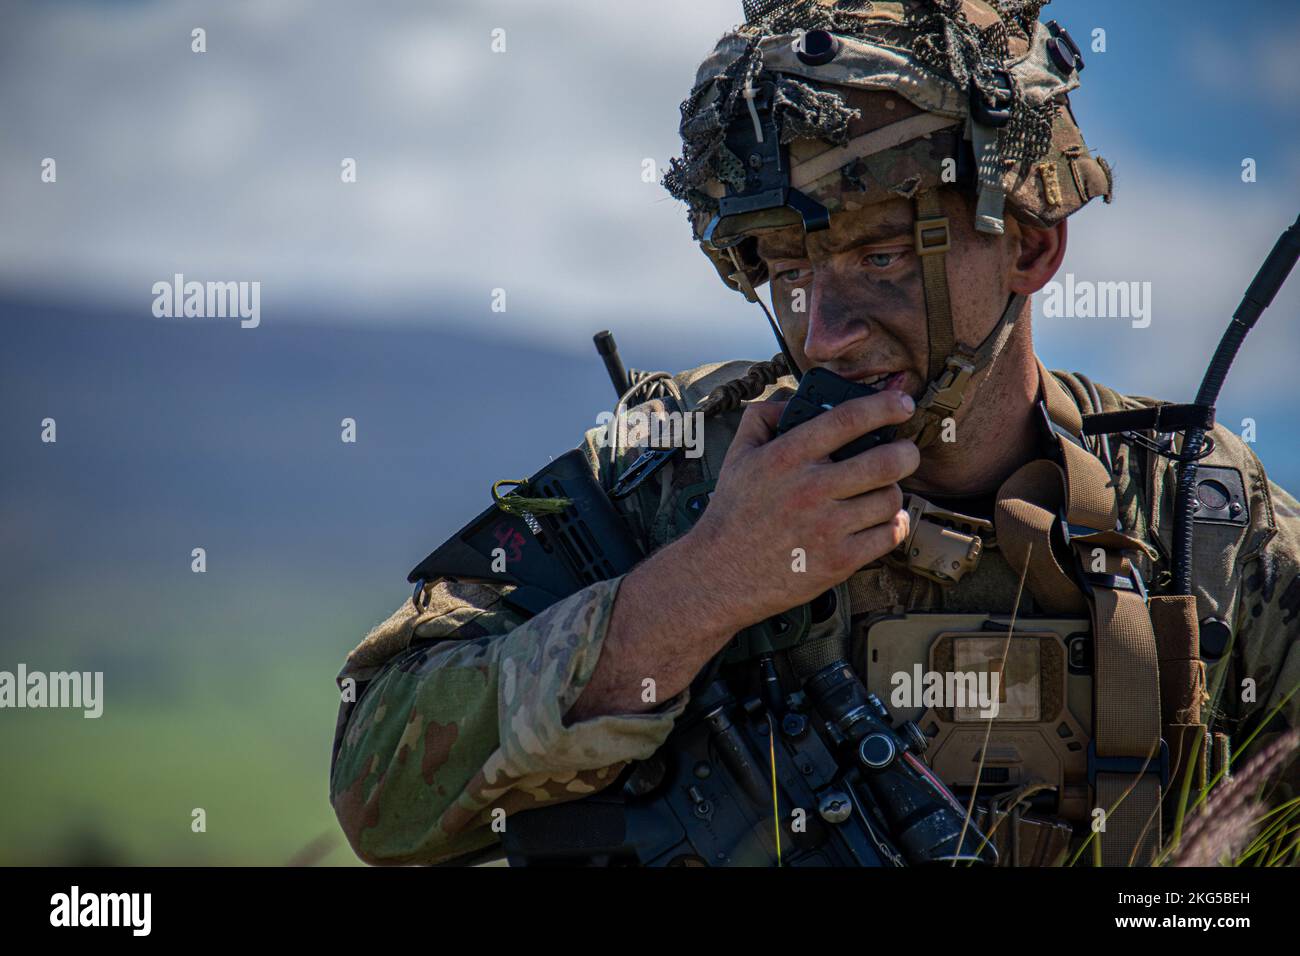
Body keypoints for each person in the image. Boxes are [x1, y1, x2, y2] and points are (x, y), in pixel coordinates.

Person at [329, 0, 1300, 867]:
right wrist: (698, 588)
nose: (825, 329)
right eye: (786, 270)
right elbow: (376, 789)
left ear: (1032, 245)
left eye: (881, 254)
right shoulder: (659, 482)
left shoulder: (1191, 512)